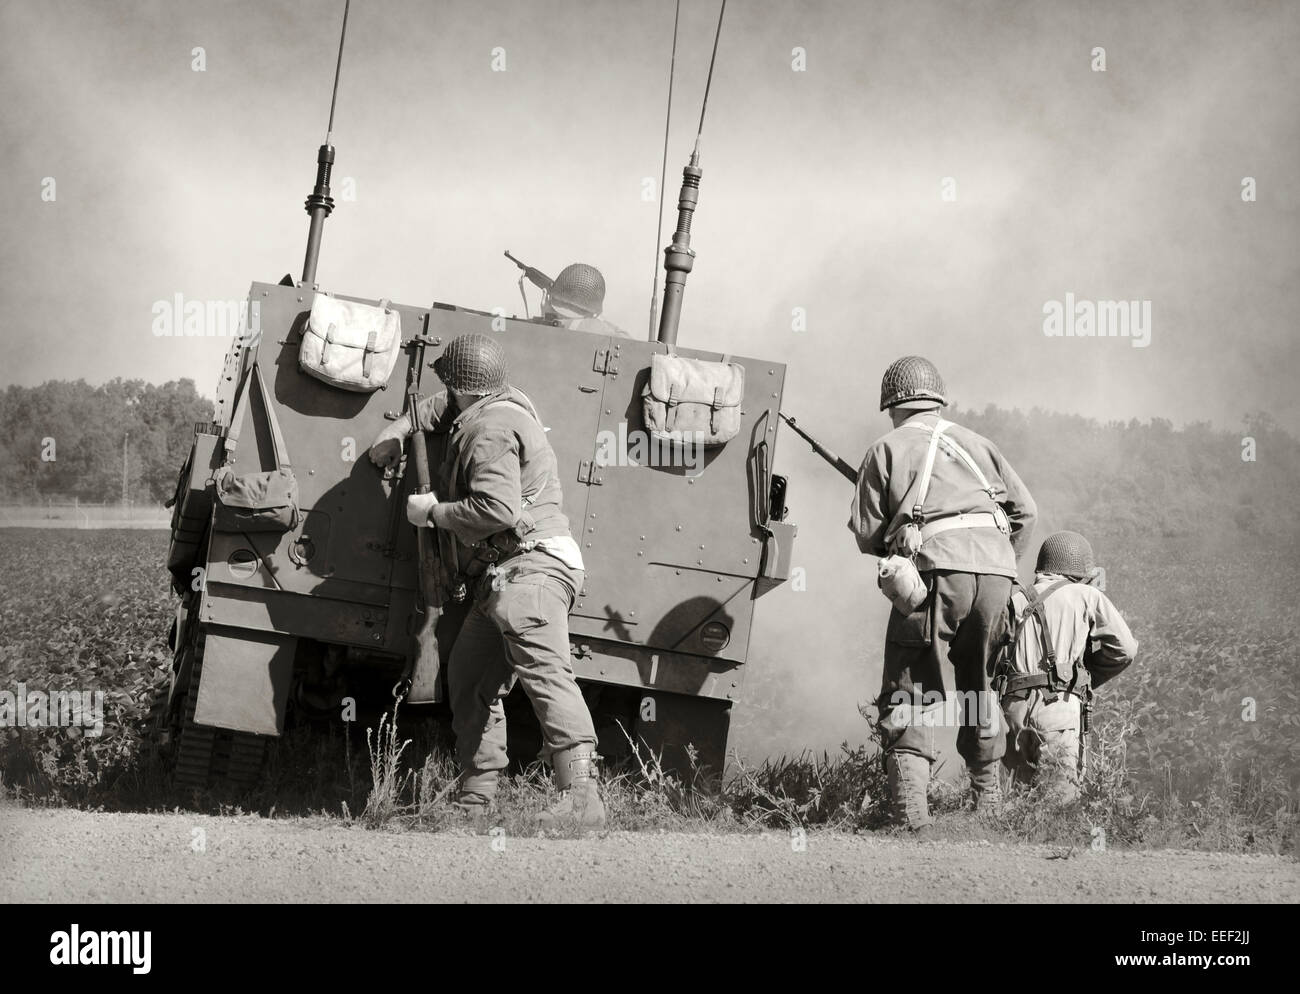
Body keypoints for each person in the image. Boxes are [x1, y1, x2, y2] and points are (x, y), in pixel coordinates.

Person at [367, 332, 605, 830]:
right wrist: (401, 428)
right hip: (507, 576)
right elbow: (442, 408)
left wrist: (433, 512)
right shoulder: (497, 404)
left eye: (450, 386)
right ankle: (476, 802)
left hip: (531, 569)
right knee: (470, 675)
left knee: (546, 674)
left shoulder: (490, 430)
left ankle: (583, 798)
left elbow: (497, 509)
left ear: (462, 387)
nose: (446, 394)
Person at [849, 355, 1037, 832]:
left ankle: (912, 817)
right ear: (937, 400)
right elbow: (1026, 513)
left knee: (909, 688)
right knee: (978, 687)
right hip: (997, 576)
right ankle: (988, 807)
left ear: (892, 405)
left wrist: (901, 535)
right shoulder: (979, 444)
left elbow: (868, 536)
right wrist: (1000, 562)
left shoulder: (886, 448)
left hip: (936, 573)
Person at [997, 531, 1138, 802]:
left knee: (1020, 800)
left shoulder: (1015, 600)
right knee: (1059, 801)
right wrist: (1085, 678)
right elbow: (1126, 649)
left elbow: (993, 657)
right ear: (1080, 570)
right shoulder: (1086, 595)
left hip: (1012, 710)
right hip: (1057, 706)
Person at [542, 262, 630, 338]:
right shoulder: (602, 332)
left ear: (547, 297)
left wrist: (546, 316)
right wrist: (599, 319)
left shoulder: (542, 332)